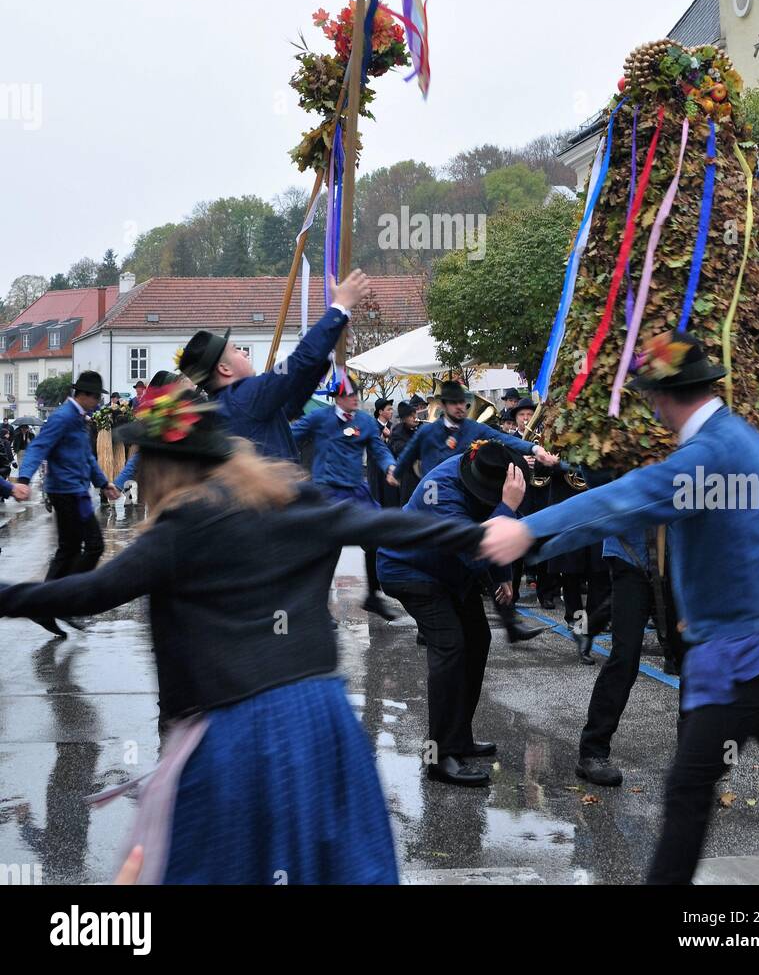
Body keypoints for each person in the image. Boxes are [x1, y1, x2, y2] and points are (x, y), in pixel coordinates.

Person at [0, 388, 493, 884]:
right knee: (332, 866)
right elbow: (388, 523)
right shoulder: (290, 499)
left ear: (161, 469)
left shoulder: (181, 528)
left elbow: (88, 592)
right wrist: (482, 536)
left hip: (239, 728)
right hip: (322, 714)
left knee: (226, 865)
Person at [480, 331, 759, 884]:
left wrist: (527, 532)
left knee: (688, 793)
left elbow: (624, 499)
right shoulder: (746, 439)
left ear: (663, 397)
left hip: (741, 651)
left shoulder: (707, 457)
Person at [378, 441, 537, 787]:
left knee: (478, 638)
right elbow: (477, 549)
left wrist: (504, 576)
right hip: (409, 570)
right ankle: (439, 756)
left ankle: (459, 737)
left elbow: (496, 529)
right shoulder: (442, 493)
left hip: (449, 572)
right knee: (450, 647)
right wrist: (506, 507)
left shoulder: (484, 464)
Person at [177, 269, 368, 462]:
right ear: (224, 369)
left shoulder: (228, 405)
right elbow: (299, 361)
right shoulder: (246, 396)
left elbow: (291, 403)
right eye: (236, 350)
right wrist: (340, 307)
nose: (244, 352)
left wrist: (329, 351)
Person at [11, 371, 121, 638]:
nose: (97, 403)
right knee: (91, 546)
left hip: (78, 492)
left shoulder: (79, 419)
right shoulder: (62, 417)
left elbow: (87, 458)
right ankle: (61, 601)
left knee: (70, 550)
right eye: (96, 398)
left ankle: (48, 604)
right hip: (65, 492)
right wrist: (24, 478)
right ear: (84, 395)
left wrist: (104, 483)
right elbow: (39, 447)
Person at [290, 381, 399, 619]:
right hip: (327, 491)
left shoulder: (365, 421)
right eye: (350, 395)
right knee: (330, 547)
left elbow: (378, 449)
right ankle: (319, 606)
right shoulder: (320, 418)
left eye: (356, 394)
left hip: (356, 490)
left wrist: (390, 466)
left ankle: (372, 595)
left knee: (375, 536)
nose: (355, 398)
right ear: (337, 398)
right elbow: (290, 437)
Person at [390, 380, 559, 486]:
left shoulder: (474, 428)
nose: (459, 407)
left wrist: (536, 450)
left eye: (462, 402)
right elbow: (408, 455)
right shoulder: (427, 431)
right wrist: (395, 474)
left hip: (462, 491)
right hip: (432, 495)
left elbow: (504, 438)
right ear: (443, 405)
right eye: (454, 403)